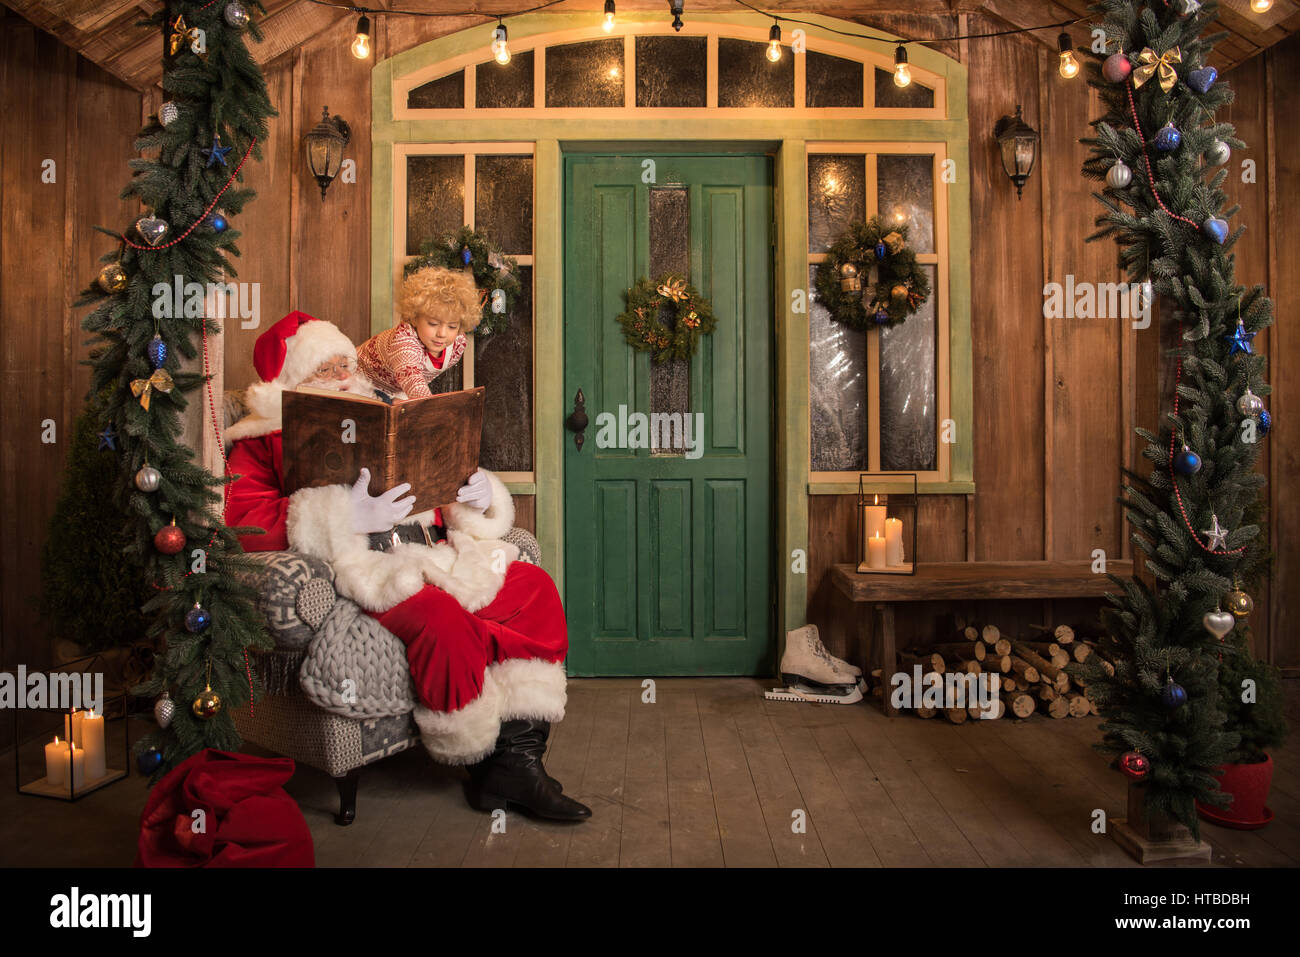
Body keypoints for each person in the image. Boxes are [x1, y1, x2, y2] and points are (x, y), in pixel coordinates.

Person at [225, 311, 589, 821]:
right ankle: (481, 757)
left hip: (431, 548)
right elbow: (238, 520)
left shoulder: (385, 414)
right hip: (360, 568)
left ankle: (519, 759)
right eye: (322, 370)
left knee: (532, 586)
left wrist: (474, 494)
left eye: (343, 364)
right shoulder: (260, 439)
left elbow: (431, 490)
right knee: (441, 618)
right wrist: (342, 515)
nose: (340, 377)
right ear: (288, 383)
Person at [355, 266, 472, 399]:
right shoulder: (404, 342)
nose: (442, 334)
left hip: (395, 388)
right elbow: (413, 381)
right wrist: (435, 409)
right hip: (358, 381)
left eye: (452, 326)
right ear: (414, 318)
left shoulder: (458, 342)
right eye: (433, 324)